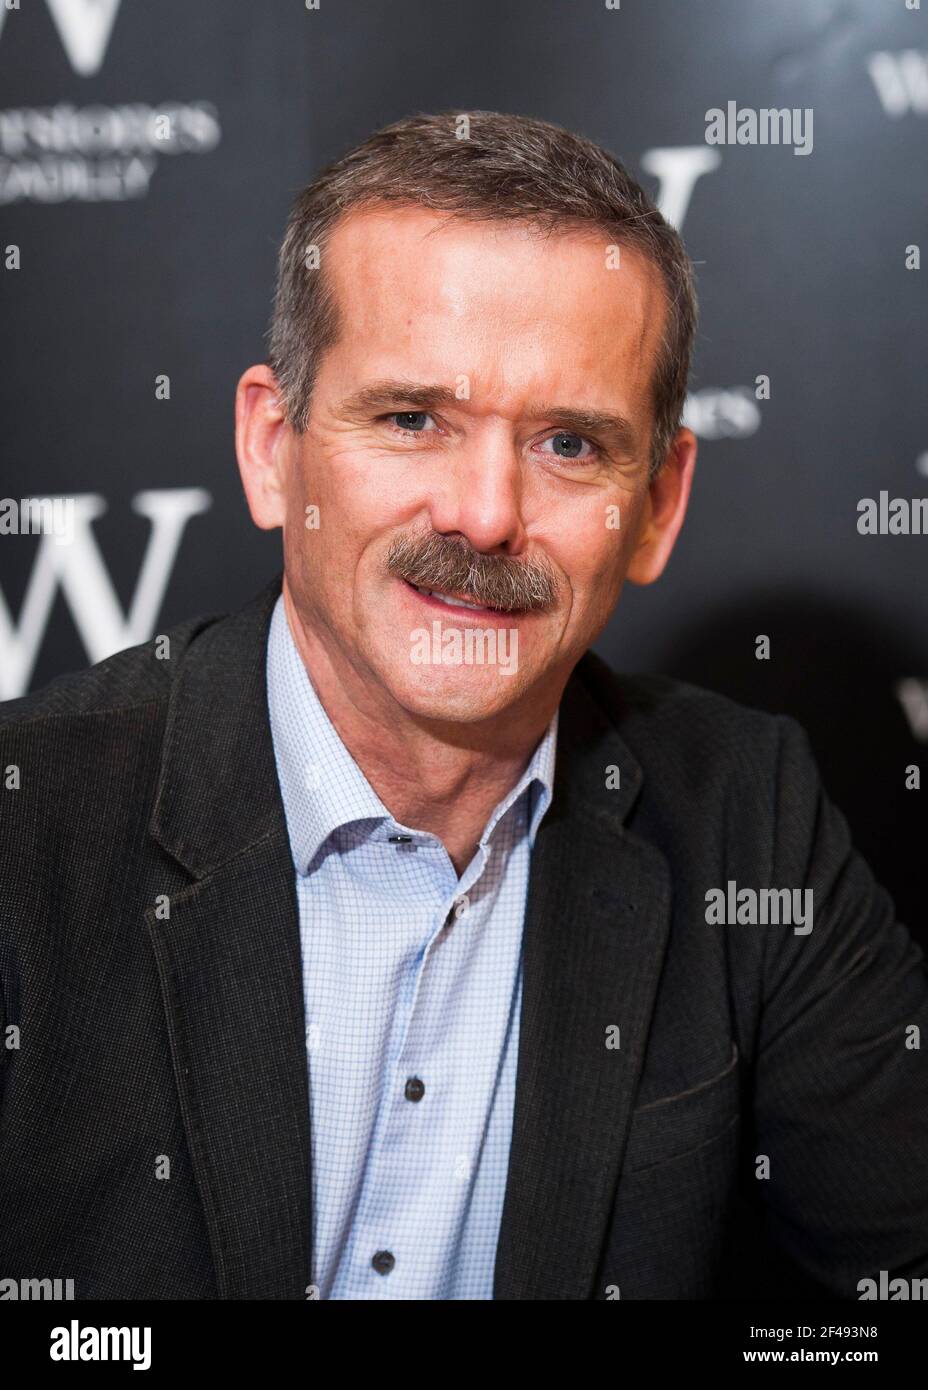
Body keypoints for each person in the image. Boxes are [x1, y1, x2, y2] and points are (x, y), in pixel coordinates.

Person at [1, 112, 925, 1301]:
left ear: (656, 506)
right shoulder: (29, 828)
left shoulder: (748, 815)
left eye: (568, 443)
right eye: (411, 418)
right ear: (272, 449)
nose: (485, 515)